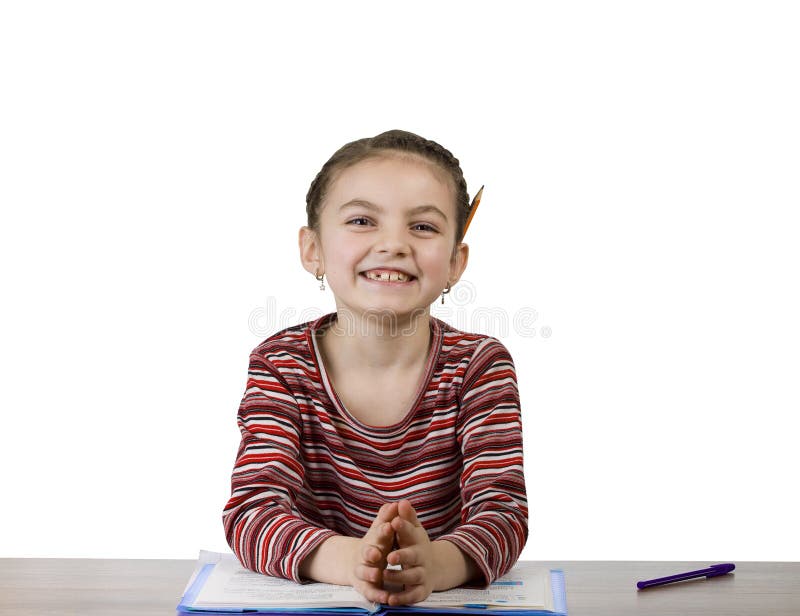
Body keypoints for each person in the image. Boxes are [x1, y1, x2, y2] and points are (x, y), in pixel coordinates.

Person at [222, 129, 527, 606]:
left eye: (423, 227)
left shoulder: (479, 367)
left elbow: (503, 513)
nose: (393, 244)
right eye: (363, 220)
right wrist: (353, 560)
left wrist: (436, 564)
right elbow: (253, 512)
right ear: (313, 250)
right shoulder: (280, 365)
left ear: (455, 263)